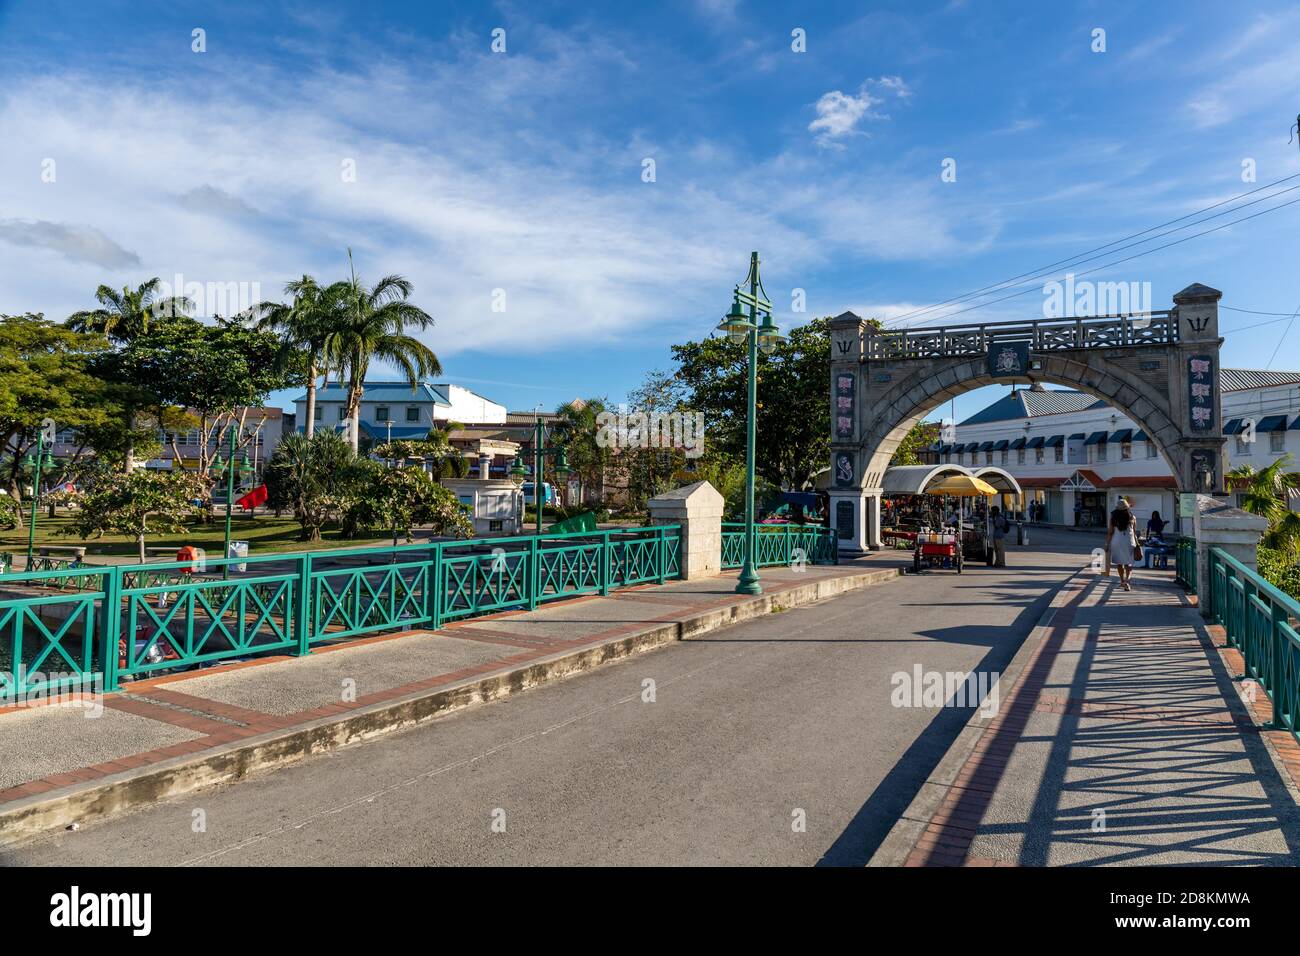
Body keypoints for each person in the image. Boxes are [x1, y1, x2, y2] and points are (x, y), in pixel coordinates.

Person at [1106, 499, 1139, 591]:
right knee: (1129, 563)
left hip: (1116, 542)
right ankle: (1127, 581)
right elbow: (1134, 532)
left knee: (1119, 563)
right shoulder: (1132, 517)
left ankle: (1122, 581)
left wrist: (1107, 543)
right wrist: (1137, 544)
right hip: (1129, 542)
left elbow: (1110, 532)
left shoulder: (1113, 518)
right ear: (1127, 508)